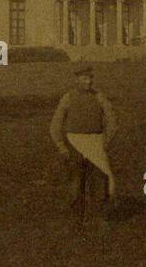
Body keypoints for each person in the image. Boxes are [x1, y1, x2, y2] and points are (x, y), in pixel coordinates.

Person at [49, 63, 117, 227]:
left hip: (95, 143)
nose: (88, 82)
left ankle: (100, 218)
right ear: (77, 80)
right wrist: (61, 146)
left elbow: (112, 120)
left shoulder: (99, 96)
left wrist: (104, 143)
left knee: (100, 182)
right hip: (74, 145)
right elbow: (55, 124)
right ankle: (76, 219)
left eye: (90, 78)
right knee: (76, 183)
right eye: (84, 78)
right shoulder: (68, 97)